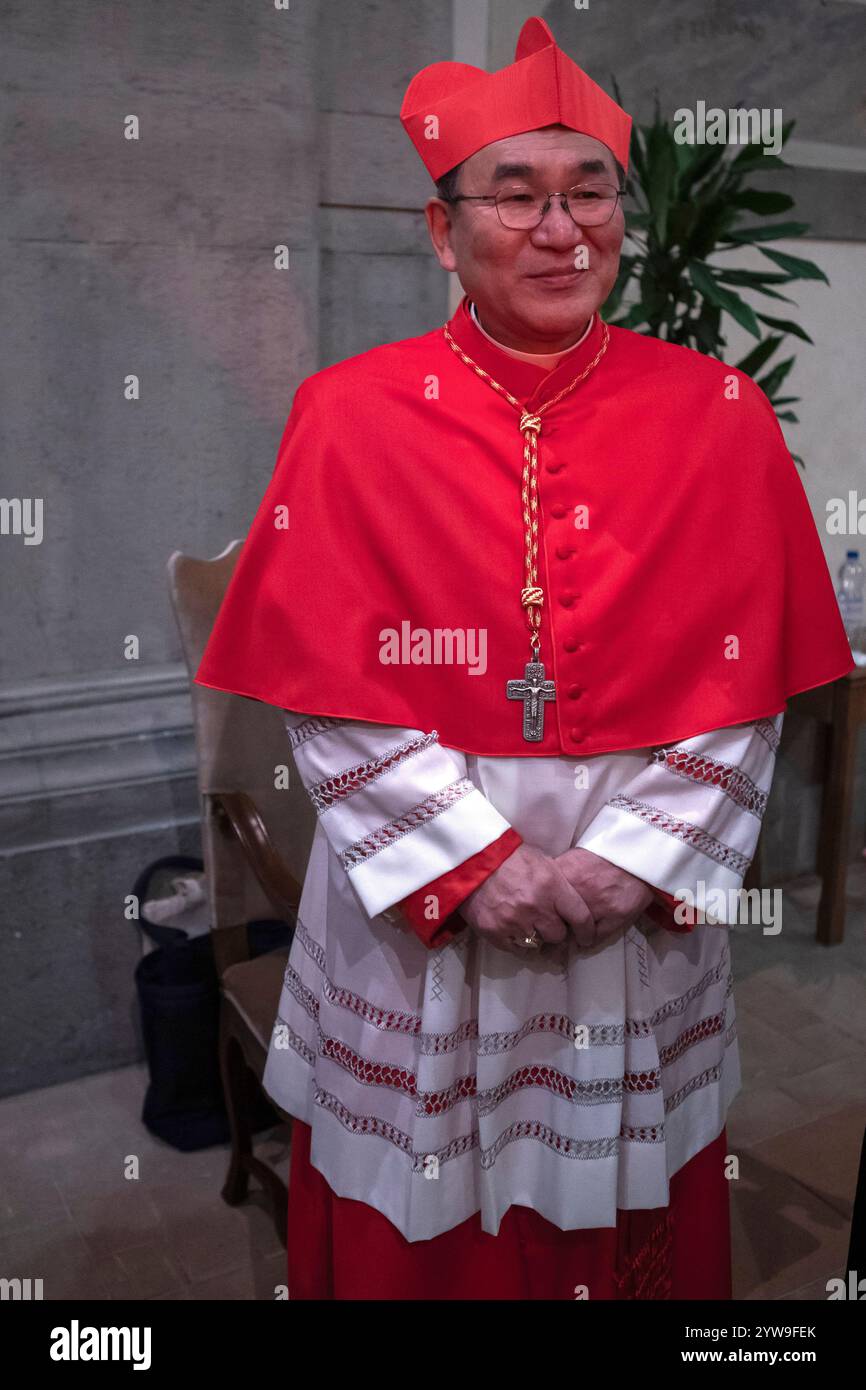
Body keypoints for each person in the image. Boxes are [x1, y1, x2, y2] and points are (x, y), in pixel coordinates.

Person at [195, 16, 853, 1299]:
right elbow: (325, 693)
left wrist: (628, 863)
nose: (562, 231)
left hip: (629, 912)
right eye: (516, 196)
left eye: (589, 191)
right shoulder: (346, 415)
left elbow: (746, 678)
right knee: (425, 1220)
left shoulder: (717, 416)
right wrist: (475, 866)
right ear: (443, 230)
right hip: (421, 911)